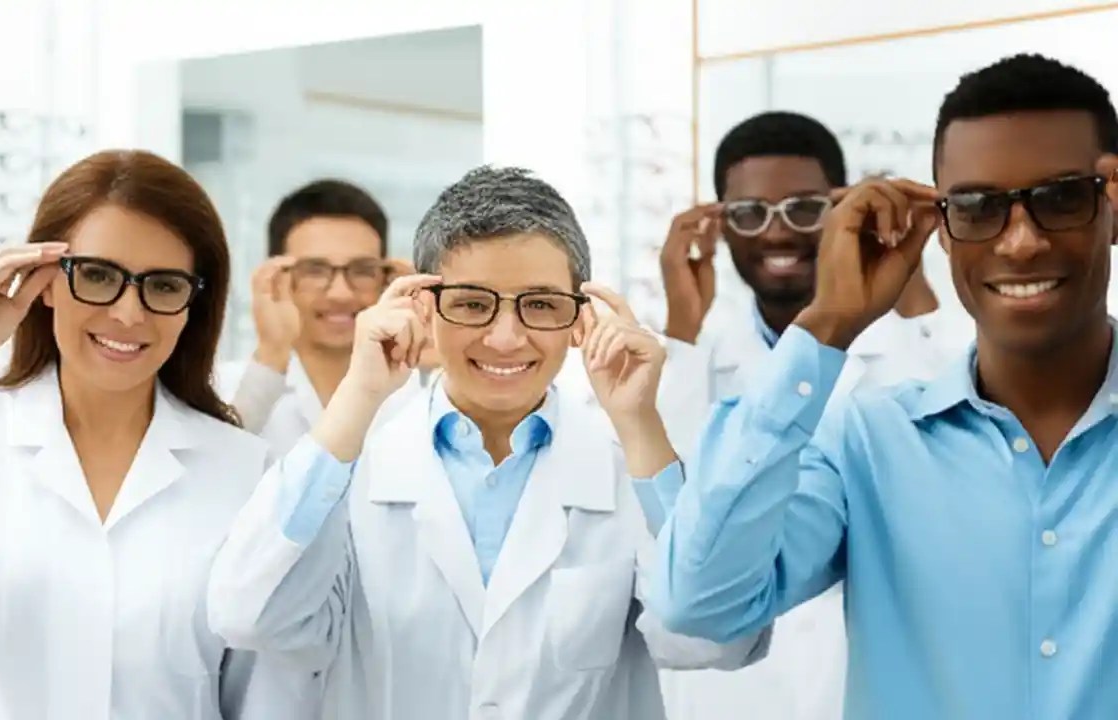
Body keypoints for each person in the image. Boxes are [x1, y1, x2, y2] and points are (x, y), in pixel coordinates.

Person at [206, 166, 769, 720]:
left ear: (581, 318)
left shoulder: (628, 470)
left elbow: (715, 641)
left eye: (541, 304)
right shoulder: (351, 470)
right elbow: (247, 612)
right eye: (473, 303)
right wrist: (359, 393)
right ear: (422, 306)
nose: (505, 338)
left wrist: (641, 424)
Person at [652, 53, 1118, 719]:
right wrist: (828, 323)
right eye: (979, 206)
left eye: (1062, 198)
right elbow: (699, 604)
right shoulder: (863, 441)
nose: (1020, 241)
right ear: (940, 223)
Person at [0, 150, 284, 718]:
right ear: (43, 282)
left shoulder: (242, 469)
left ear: (192, 305)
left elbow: (260, 691)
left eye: (164, 286)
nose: (128, 313)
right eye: (97, 276)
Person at [653, 111, 964, 720]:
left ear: (842, 208)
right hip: (724, 699)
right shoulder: (689, 365)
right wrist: (680, 328)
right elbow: (668, 522)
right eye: (748, 214)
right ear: (718, 224)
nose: (777, 235)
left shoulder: (914, 357)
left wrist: (908, 282)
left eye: (804, 208)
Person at [226, 179, 420, 459]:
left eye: (362, 270)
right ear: (276, 277)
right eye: (315, 270)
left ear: (386, 277)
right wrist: (272, 353)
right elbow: (209, 473)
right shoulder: (227, 388)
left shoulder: (419, 393)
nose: (340, 293)